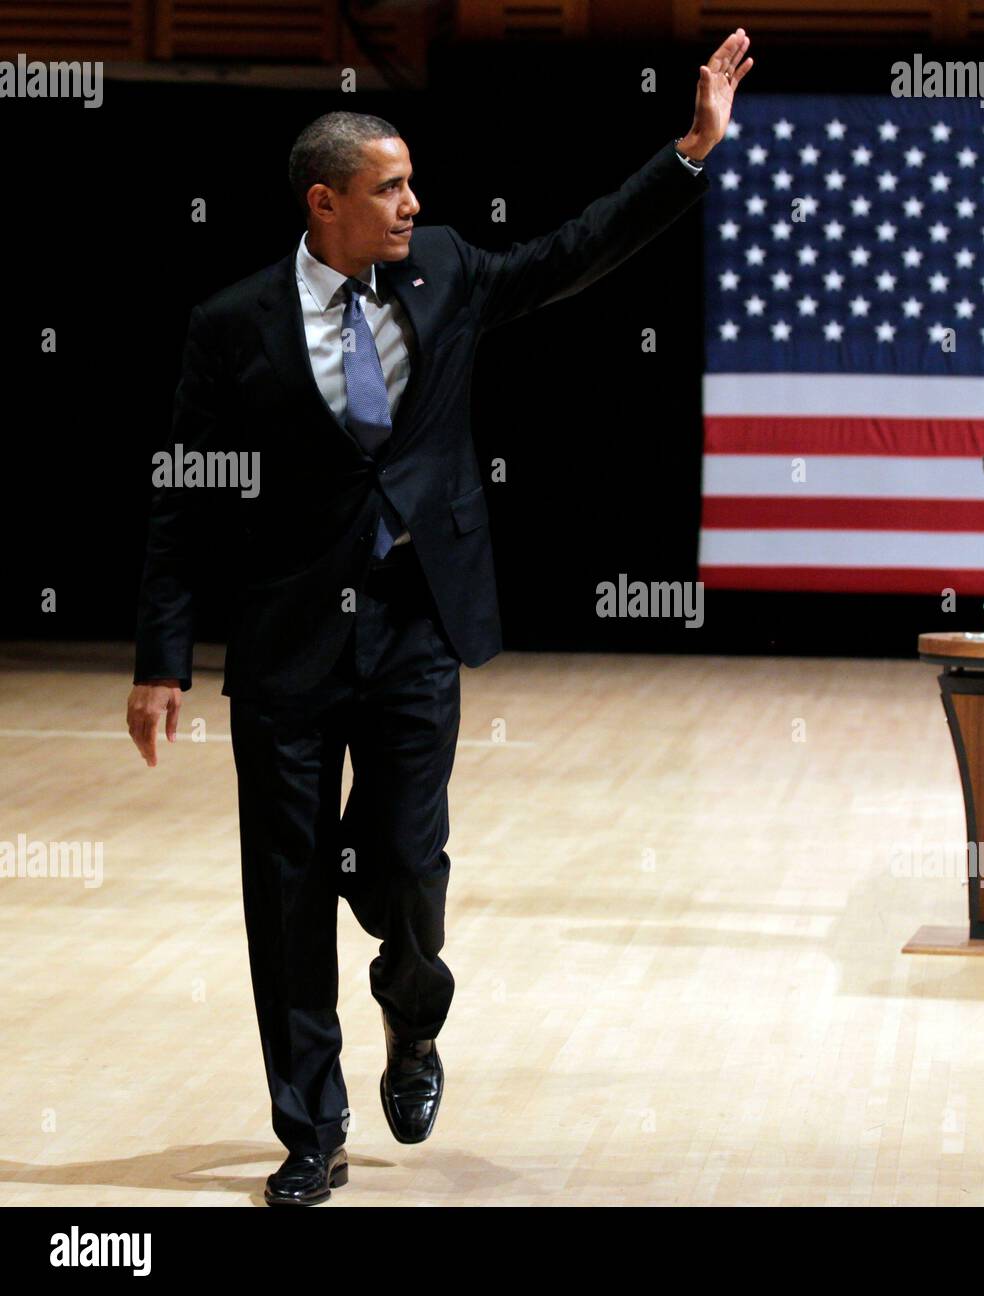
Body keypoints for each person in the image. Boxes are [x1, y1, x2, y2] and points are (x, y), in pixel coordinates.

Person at [125, 32, 754, 1206]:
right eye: (390, 188)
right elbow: (186, 491)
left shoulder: (450, 270)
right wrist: (162, 656)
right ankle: (311, 1131)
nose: (416, 202)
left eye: (412, 182)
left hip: (416, 627)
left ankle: (413, 1022)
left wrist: (689, 152)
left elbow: (573, 253)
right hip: (287, 649)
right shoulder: (234, 321)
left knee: (407, 870)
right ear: (325, 204)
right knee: (288, 895)